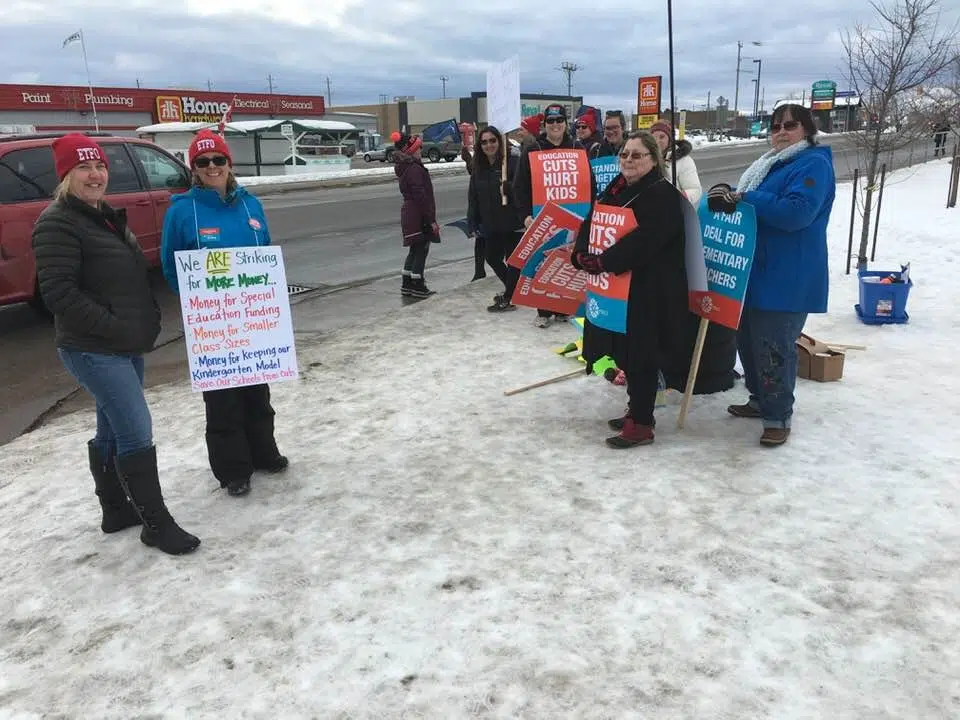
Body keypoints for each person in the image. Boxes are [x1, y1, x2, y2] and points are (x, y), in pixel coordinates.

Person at [32, 133, 200, 555]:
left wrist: (148, 318)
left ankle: (115, 509)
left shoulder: (103, 216)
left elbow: (127, 279)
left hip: (122, 344)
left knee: (111, 425)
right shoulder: (57, 222)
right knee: (135, 430)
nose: (95, 175)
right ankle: (157, 524)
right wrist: (116, 328)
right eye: (83, 168)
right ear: (66, 176)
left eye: (100, 167)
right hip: (92, 348)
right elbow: (60, 295)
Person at [161, 130, 288, 496]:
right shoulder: (182, 212)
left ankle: (264, 453)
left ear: (229, 163)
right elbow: (171, 266)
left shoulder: (251, 205)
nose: (212, 167)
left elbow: (263, 251)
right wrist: (199, 305)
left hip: (253, 319)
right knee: (222, 401)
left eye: (218, 160)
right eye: (203, 162)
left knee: (256, 393)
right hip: (213, 324)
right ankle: (233, 470)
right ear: (194, 169)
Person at [706, 103, 837, 446]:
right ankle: (758, 399)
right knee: (748, 342)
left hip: (787, 275)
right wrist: (729, 195)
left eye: (790, 125)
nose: (781, 131)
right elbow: (753, 200)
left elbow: (797, 213)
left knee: (774, 347)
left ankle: (778, 415)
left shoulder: (812, 164)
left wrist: (743, 198)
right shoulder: (772, 164)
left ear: (807, 129)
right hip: (757, 272)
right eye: (775, 125)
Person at [572, 131, 688, 448]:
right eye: (625, 154)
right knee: (625, 351)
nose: (628, 160)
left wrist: (603, 261)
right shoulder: (617, 187)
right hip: (618, 288)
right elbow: (593, 220)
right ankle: (635, 410)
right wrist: (581, 252)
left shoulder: (662, 194)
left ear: (654, 159)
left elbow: (645, 241)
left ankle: (641, 423)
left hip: (648, 290)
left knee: (642, 355)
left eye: (637, 155)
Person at [514, 103, 587, 328]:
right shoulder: (533, 149)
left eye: (559, 121)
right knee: (542, 262)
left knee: (568, 262)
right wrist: (525, 216)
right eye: (551, 121)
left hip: (573, 215)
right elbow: (520, 187)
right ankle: (543, 310)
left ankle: (564, 308)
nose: (555, 125)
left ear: (566, 124)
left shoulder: (577, 148)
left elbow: (589, 184)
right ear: (545, 125)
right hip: (543, 218)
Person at [466, 125, 523, 312]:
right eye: (484, 142)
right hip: (491, 222)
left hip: (511, 221)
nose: (489, 145)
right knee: (491, 257)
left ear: (499, 141)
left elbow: (523, 190)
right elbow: (473, 195)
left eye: (492, 140)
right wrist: (472, 220)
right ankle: (513, 290)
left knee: (512, 260)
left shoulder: (511, 162)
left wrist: (510, 190)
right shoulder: (478, 168)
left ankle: (509, 296)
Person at [392, 130, 440, 299]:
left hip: (410, 213)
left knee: (414, 249)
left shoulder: (405, 168)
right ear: (411, 151)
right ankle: (418, 284)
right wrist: (431, 220)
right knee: (421, 249)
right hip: (417, 214)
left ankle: (407, 283)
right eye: (418, 149)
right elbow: (422, 197)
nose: (421, 151)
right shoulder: (414, 169)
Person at [649, 120, 702, 206]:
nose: (657, 141)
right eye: (653, 137)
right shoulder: (645, 159)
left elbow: (694, 189)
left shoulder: (684, 161)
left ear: (670, 140)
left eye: (662, 137)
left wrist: (678, 198)